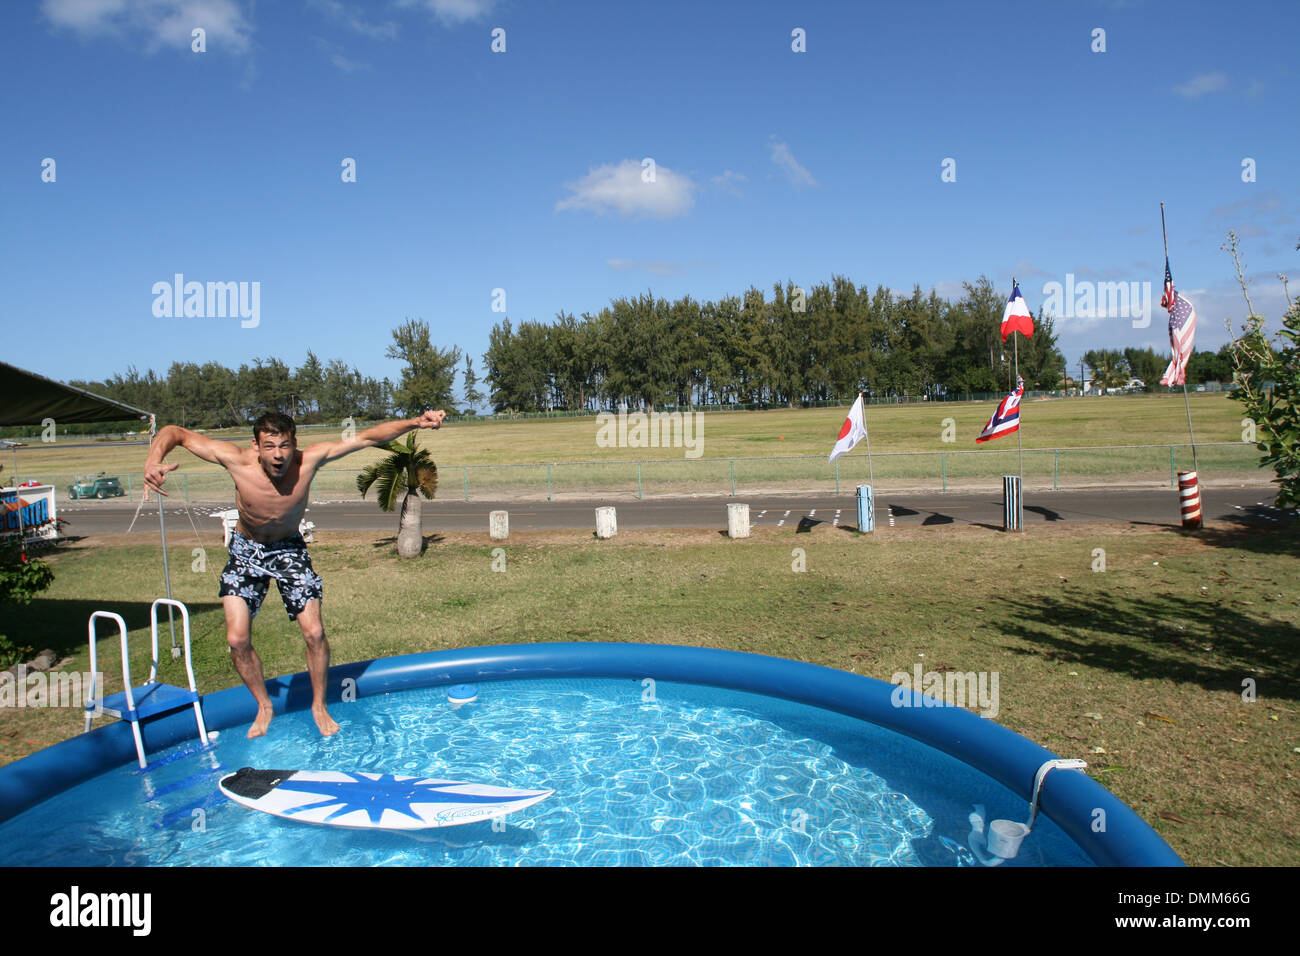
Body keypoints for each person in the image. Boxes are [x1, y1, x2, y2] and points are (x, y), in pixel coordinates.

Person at [144, 409, 446, 737]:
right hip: (247, 551)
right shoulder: (236, 460)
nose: (277, 455)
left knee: (314, 633)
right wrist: (153, 459)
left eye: (284, 446)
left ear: (295, 444)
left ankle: (318, 705)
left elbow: (367, 437)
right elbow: (176, 432)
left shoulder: (310, 460)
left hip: (289, 548)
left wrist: (415, 422)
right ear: (256, 445)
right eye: (269, 446)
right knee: (237, 639)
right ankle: (264, 705)